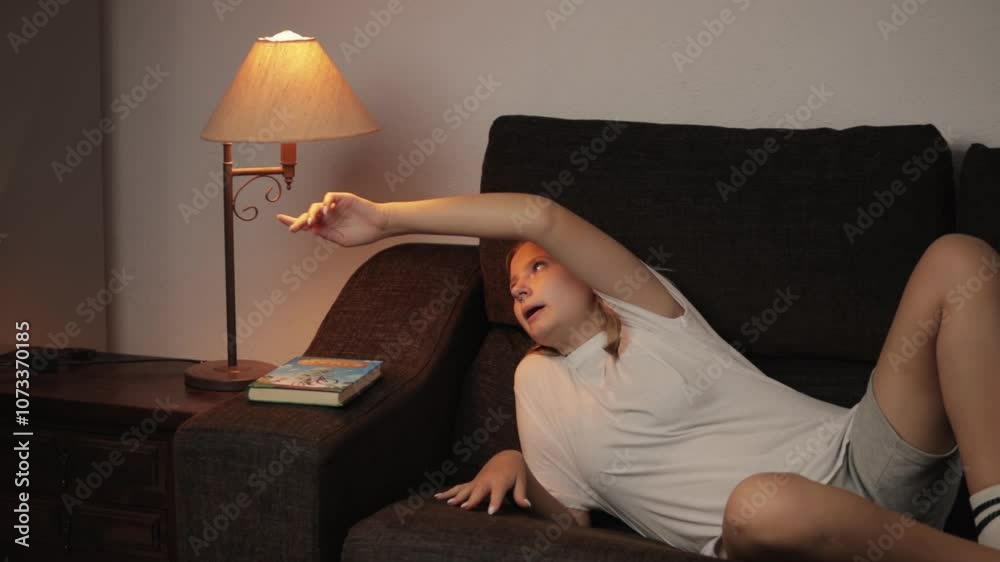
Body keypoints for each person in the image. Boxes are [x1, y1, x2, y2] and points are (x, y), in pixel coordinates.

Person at [277, 191, 1000, 561]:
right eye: (512, 278)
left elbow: (540, 213)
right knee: (759, 503)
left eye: (539, 266)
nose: (522, 285)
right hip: (780, 529)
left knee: (959, 259)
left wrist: (388, 217)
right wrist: (511, 461)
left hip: (862, 449)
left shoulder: (656, 313)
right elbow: (573, 522)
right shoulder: (536, 384)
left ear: (594, 281)